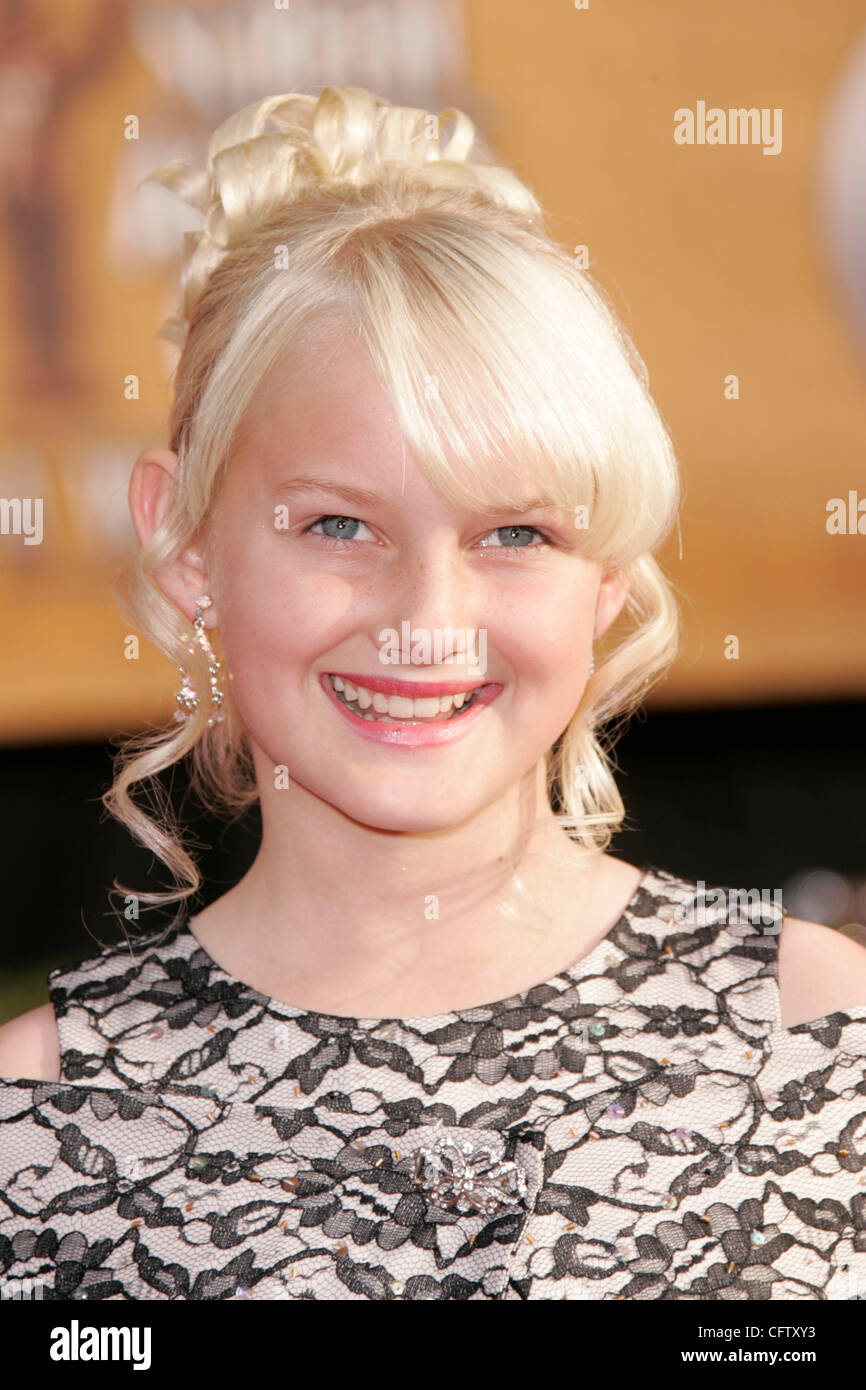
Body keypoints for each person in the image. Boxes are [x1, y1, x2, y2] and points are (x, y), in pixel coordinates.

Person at [2, 85, 866, 1302]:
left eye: (512, 531)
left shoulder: (818, 1030)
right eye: (340, 523)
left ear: (607, 572)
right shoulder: (33, 1127)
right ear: (186, 541)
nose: (425, 620)